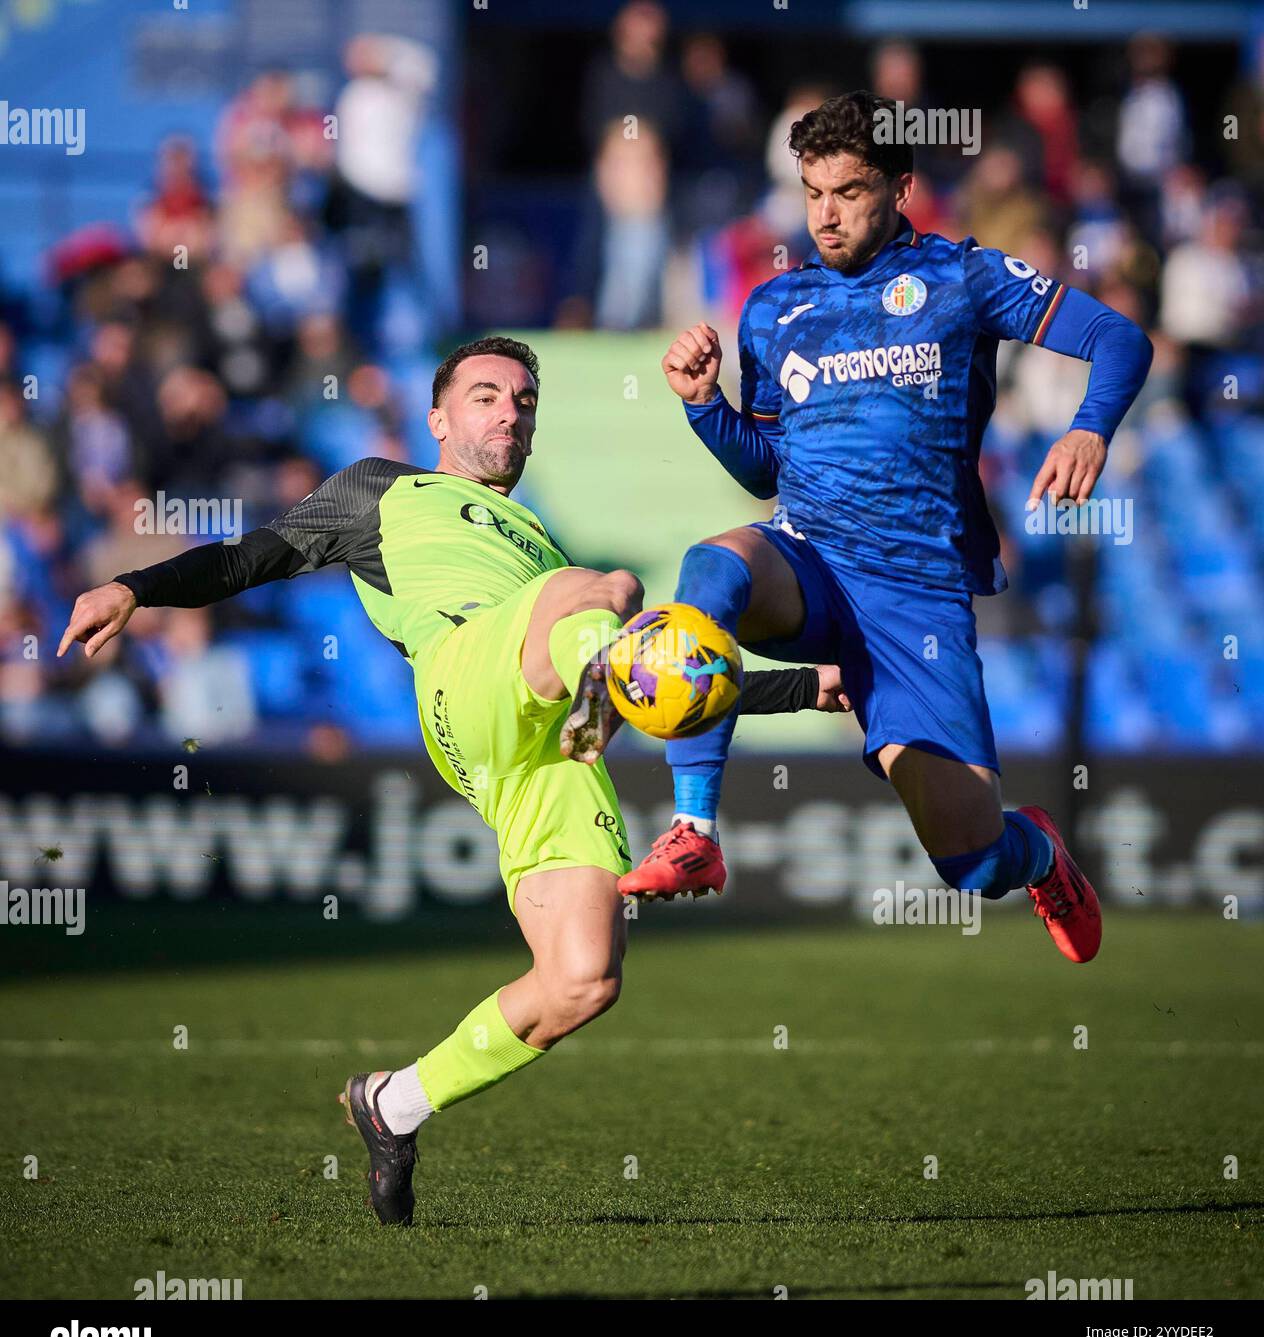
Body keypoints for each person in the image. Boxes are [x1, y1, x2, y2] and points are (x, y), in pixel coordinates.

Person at [58, 336, 842, 1225]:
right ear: (438, 417)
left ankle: (393, 1105)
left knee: (583, 979)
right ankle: (621, 733)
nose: (509, 412)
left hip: (543, 751)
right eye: (486, 396)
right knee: (615, 589)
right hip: (464, 680)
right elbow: (248, 560)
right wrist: (134, 587)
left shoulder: (543, 542)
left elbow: (661, 670)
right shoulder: (380, 491)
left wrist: (804, 686)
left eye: (524, 403)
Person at [613, 92, 1154, 966]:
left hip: (915, 599)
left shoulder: (962, 278)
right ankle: (693, 829)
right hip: (811, 561)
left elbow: (1121, 340)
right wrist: (706, 406)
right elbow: (767, 469)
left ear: (900, 187)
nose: (825, 214)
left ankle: (1041, 851)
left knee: (973, 864)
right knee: (709, 568)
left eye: (851, 191)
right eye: (813, 191)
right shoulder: (773, 307)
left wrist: (1089, 427)